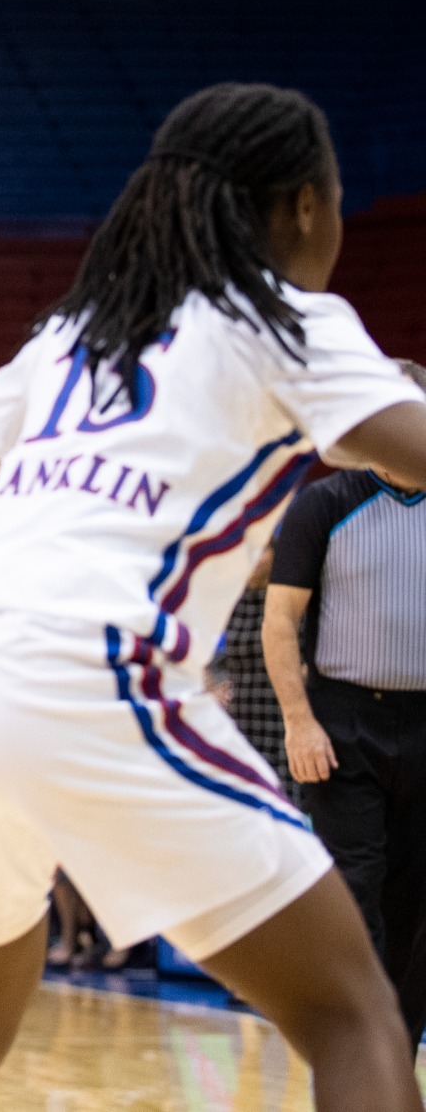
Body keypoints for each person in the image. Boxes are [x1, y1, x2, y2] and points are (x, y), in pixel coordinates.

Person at [0, 82, 426, 1110]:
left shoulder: (75, 331)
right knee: (353, 1015)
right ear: (304, 208)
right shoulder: (289, 325)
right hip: (85, 659)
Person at [263, 359, 426, 1049]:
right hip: (341, 723)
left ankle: (396, 1048)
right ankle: (354, 1052)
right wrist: (299, 721)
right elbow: (279, 623)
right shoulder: (324, 503)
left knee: (417, 904)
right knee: (354, 893)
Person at [211, 549, 294, 799]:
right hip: (241, 712)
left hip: (281, 710)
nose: (255, 559)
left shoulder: (287, 599)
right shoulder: (230, 600)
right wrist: (214, 687)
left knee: (284, 790)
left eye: (262, 551)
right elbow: (209, 655)